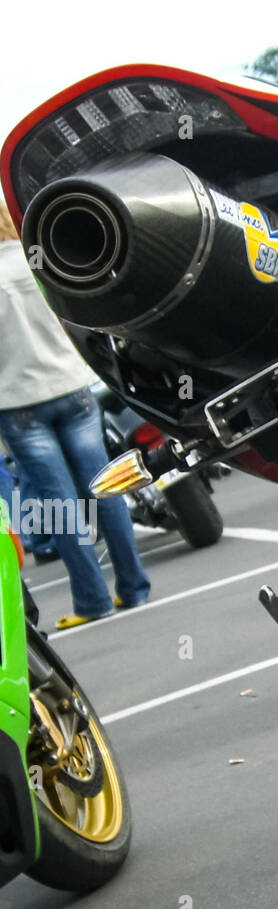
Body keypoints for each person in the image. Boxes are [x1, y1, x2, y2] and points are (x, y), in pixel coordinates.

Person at [0, 202, 151, 627]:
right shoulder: (40, 261)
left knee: (59, 505)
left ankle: (92, 601)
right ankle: (134, 586)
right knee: (105, 488)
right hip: (72, 386)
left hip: (19, 400)